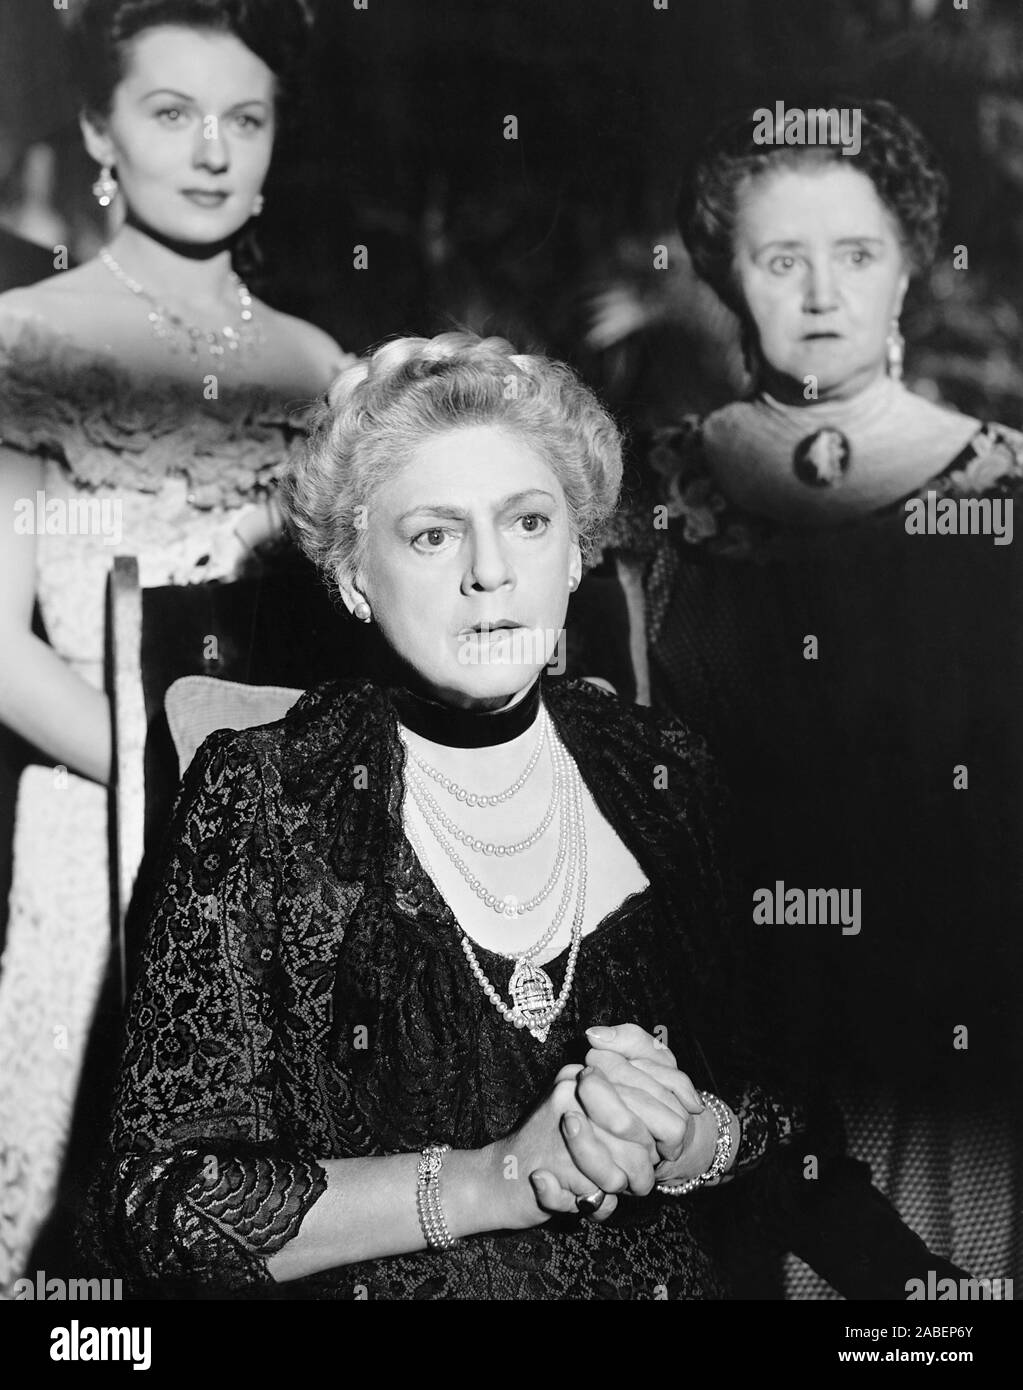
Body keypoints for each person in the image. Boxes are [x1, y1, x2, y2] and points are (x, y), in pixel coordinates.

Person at [80, 332, 968, 1300]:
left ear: (579, 550)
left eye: (529, 522)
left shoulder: (666, 770)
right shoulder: (262, 791)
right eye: (433, 535)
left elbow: (793, 1124)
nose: (489, 571)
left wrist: (688, 1137)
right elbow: (160, 1209)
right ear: (352, 576)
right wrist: (495, 1177)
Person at [603, 100, 1023, 1290]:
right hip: (729, 1004)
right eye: (782, 260)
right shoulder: (644, 494)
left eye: (856, 254)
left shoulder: (1004, 487)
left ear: (906, 270)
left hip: (958, 1016)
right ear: (728, 276)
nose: (822, 293)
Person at [0, 0, 351, 1294]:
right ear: (99, 132)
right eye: (168, 111)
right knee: (84, 1225)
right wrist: (177, 789)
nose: (210, 150)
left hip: (294, 849)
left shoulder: (321, 367)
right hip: (102, 826)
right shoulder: (25, 344)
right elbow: (0, 651)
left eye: (243, 118)